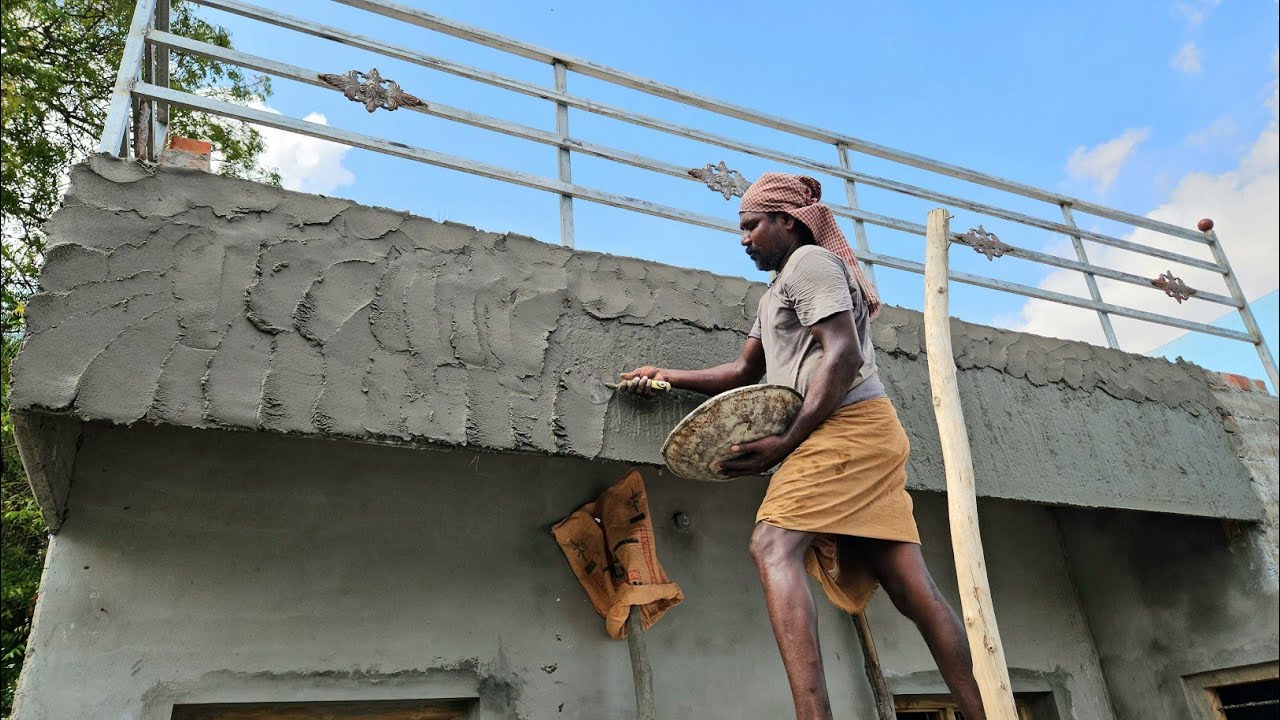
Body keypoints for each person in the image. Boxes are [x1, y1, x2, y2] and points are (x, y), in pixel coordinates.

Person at [619, 173, 986, 720]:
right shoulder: (774, 293)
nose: (743, 239)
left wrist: (788, 441)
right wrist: (666, 376)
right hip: (861, 431)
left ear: (787, 221)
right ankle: (984, 711)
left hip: (848, 427)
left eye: (751, 226)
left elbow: (843, 356)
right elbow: (744, 370)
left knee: (772, 546)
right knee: (911, 589)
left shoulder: (810, 266)